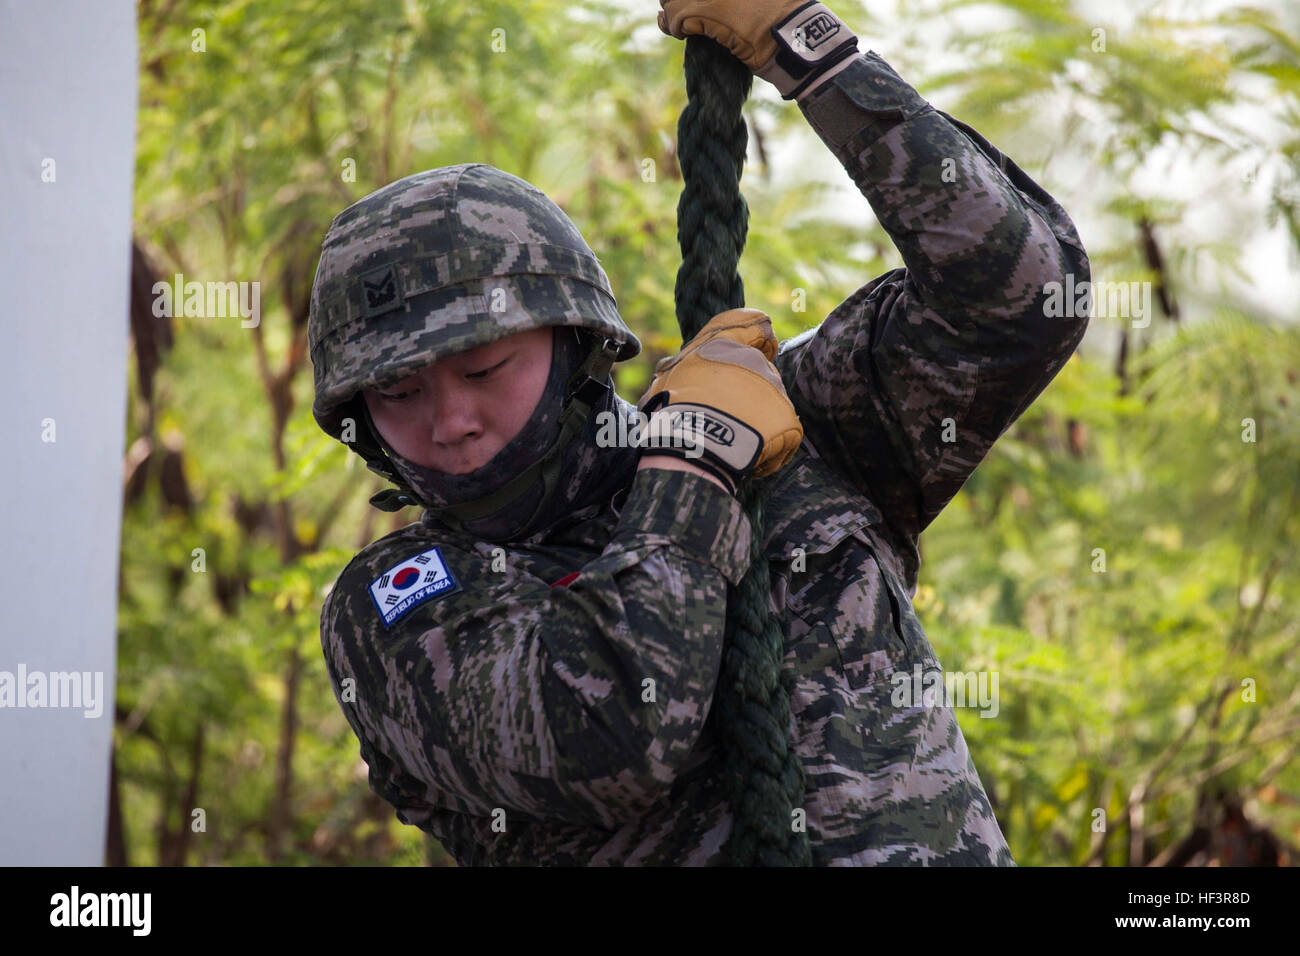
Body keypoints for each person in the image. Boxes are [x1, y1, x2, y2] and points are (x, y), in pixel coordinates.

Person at [310, 0, 1090, 866]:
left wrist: (815, 58)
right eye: (399, 393)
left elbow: (1021, 301)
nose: (450, 421)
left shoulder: (787, 426)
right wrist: (694, 464)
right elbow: (611, 738)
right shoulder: (398, 603)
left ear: (578, 346)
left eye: (486, 370)